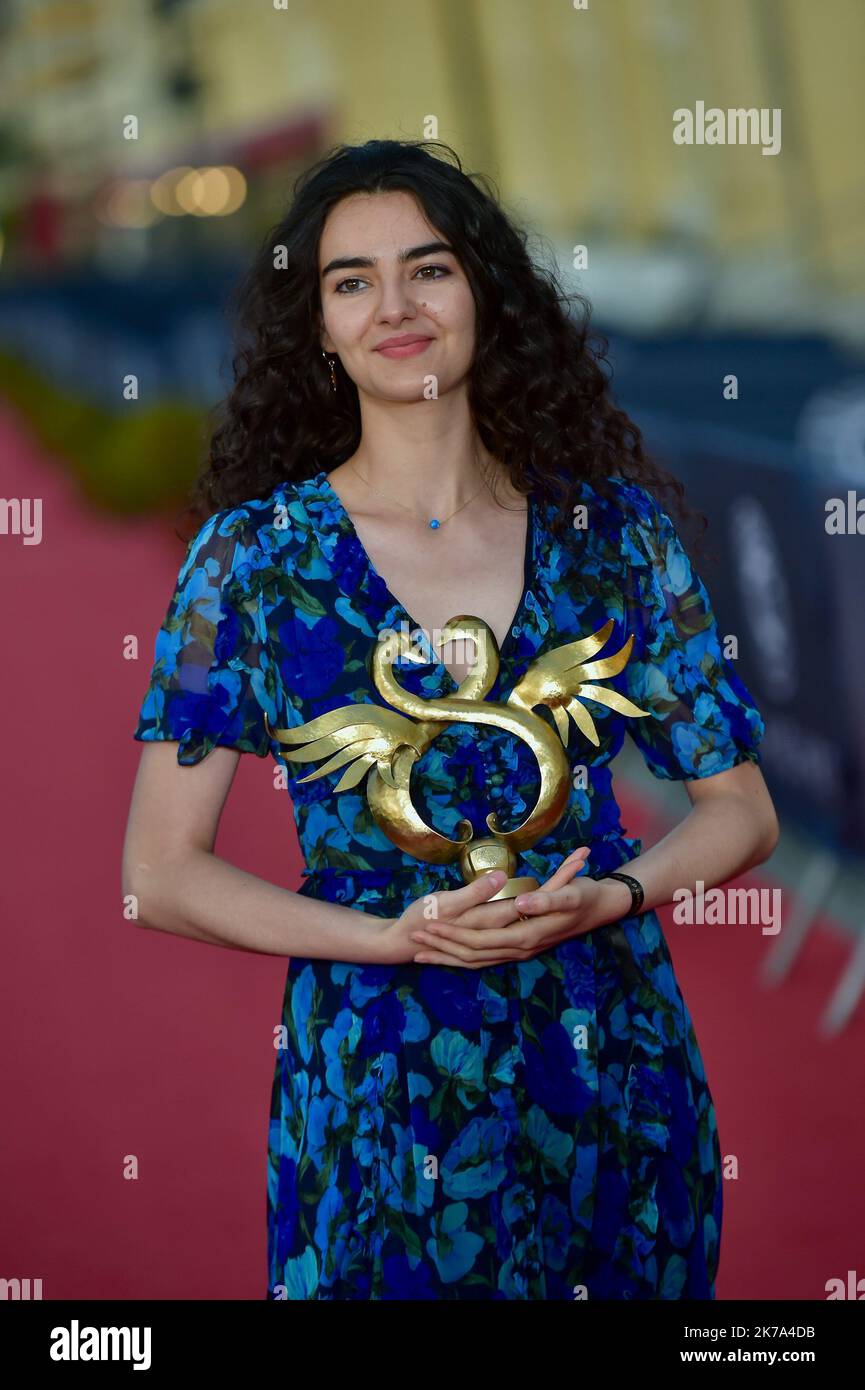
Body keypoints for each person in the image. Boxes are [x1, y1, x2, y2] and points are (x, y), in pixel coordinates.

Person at [123, 138, 778, 1300]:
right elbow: (161, 873)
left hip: (611, 1060)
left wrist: (615, 894)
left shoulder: (612, 537)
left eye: (427, 268)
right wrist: (393, 938)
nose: (394, 307)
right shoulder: (254, 562)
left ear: (483, 291)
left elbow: (738, 811)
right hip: (376, 1081)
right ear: (316, 328)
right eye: (350, 281)